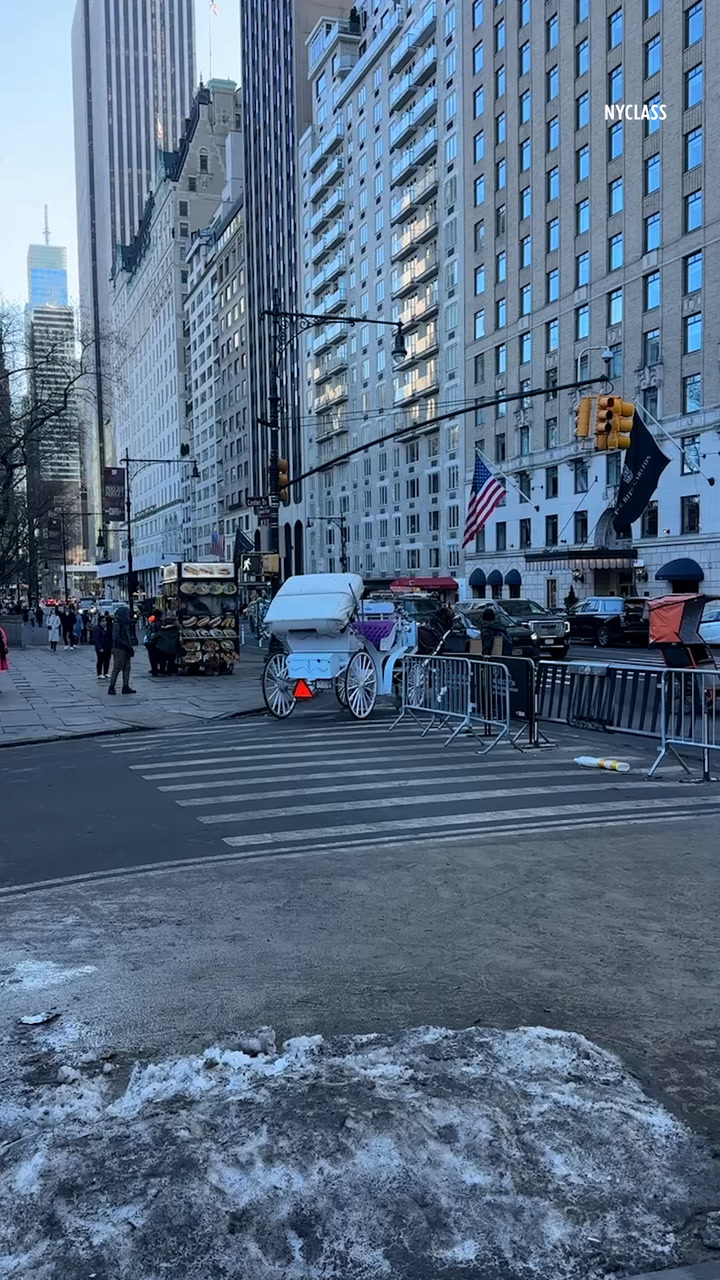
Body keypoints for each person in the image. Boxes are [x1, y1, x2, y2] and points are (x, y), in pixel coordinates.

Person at [107, 604, 136, 694]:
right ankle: (111, 686)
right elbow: (116, 638)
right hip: (119, 649)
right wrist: (126, 644)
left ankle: (125, 686)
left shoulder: (124, 623)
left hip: (126, 648)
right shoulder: (117, 624)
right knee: (117, 667)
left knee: (127, 668)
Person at [93, 614, 113, 678]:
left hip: (107, 647)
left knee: (107, 660)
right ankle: (99, 673)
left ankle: (106, 672)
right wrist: (99, 647)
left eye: (105, 621)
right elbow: (97, 639)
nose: (104, 622)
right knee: (100, 660)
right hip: (101, 647)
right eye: (103, 621)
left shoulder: (108, 628)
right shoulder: (97, 628)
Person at [144, 611, 163, 676]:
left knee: (152, 657)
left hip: (150, 642)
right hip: (156, 642)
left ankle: (154, 669)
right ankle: (157, 670)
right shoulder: (159, 623)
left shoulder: (152, 621)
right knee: (157, 656)